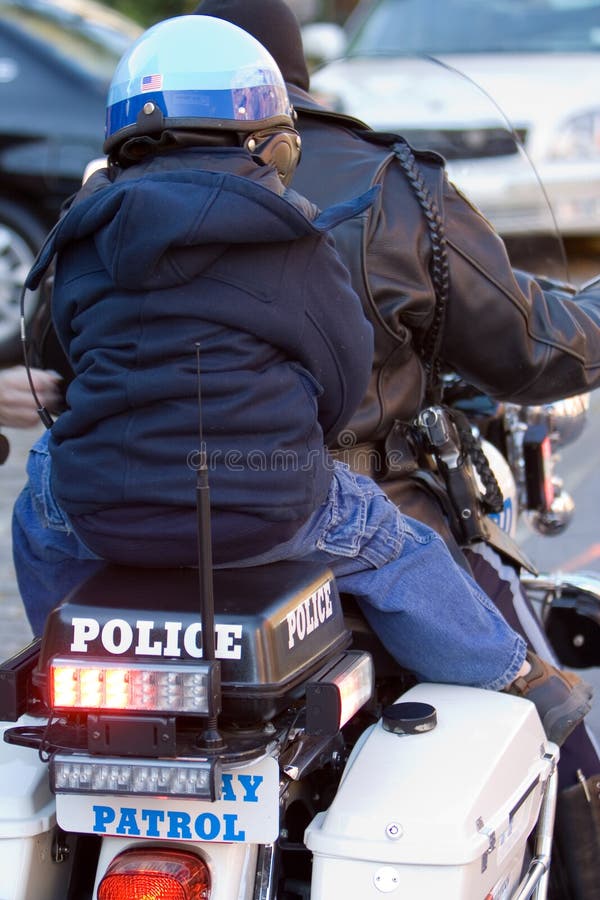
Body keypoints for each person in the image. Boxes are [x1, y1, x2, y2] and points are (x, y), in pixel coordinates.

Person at [10, 15, 591, 752]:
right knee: (398, 550)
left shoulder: (83, 234)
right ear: (268, 139)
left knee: (38, 498)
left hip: (104, 509)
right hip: (268, 502)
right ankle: (518, 677)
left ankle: (60, 651)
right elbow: (340, 379)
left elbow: (67, 348)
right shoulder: (299, 232)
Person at [190, 1, 600, 895]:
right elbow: (538, 345)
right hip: (344, 509)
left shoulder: (108, 192)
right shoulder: (380, 184)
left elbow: (62, 347)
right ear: (296, 71)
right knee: (557, 729)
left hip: (142, 526)